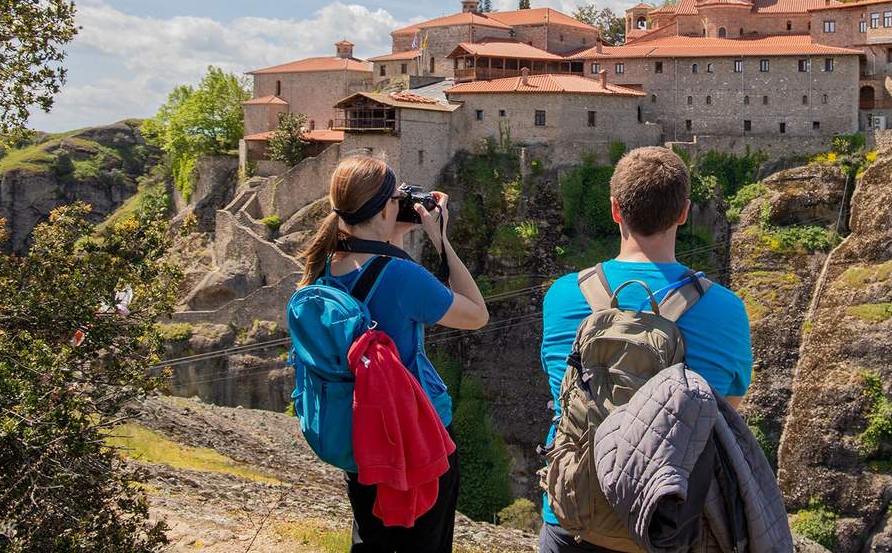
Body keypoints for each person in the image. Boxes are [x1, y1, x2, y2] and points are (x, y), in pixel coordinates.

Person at [538, 147, 753, 552]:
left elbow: (560, 390)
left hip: (573, 514)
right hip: (671, 520)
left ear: (615, 210)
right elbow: (725, 407)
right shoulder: (727, 309)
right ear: (684, 212)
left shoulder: (562, 295)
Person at [299, 155, 488, 553]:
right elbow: (475, 313)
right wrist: (441, 239)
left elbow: (375, 285)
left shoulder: (322, 270)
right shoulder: (401, 277)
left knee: (373, 542)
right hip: (418, 438)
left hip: (360, 438)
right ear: (386, 207)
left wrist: (392, 234)